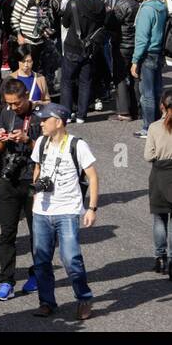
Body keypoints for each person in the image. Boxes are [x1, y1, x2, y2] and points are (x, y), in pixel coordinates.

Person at [29, 103, 99, 321]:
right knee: (41, 260)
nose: (40, 123)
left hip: (68, 211)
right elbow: (37, 169)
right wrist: (36, 190)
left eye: (44, 120)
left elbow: (93, 177)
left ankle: (84, 298)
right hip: (41, 211)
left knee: (70, 259)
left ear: (58, 122)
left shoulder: (77, 145)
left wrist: (92, 208)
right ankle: (46, 302)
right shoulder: (41, 142)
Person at [0, 78, 41, 301]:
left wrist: (28, 140)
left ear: (25, 97)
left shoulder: (40, 116)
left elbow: (49, 151)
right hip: (9, 178)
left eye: (16, 104)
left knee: (37, 233)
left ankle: (39, 274)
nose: (13, 108)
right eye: (9, 104)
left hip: (32, 180)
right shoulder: (5, 113)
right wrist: (1, 139)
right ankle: (6, 281)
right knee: (7, 233)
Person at [59, 0, 106, 124]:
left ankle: (66, 113)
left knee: (67, 81)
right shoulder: (100, 5)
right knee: (86, 81)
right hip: (91, 48)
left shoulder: (73, 3)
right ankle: (81, 114)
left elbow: (65, 23)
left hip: (73, 46)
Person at [133, 0, 169, 138]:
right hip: (159, 52)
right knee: (157, 90)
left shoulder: (146, 9)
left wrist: (135, 60)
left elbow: (142, 38)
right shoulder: (161, 5)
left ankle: (148, 127)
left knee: (147, 94)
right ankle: (159, 124)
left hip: (147, 54)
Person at [144, 90, 172, 278]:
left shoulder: (154, 127)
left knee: (159, 218)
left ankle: (159, 256)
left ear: (162, 105)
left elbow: (148, 156)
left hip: (159, 174)